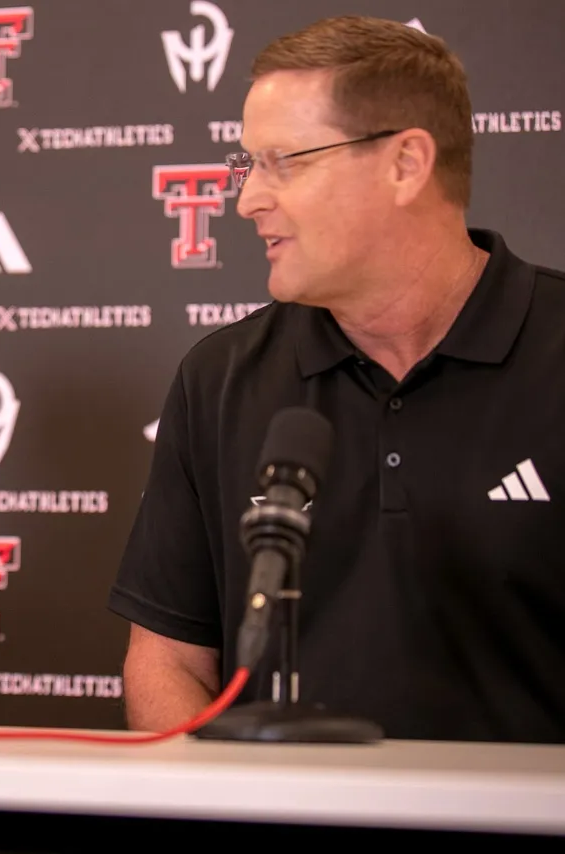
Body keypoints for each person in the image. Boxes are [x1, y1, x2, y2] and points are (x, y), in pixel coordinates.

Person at [108, 16, 565, 743]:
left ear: (406, 164)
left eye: (283, 161)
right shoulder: (220, 376)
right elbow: (168, 659)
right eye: (246, 164)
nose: (247, 199)